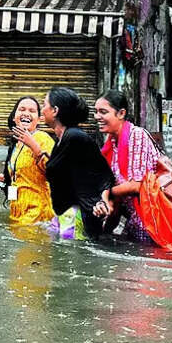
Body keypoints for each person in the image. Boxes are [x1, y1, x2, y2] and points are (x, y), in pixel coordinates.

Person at [94, 90, 172, 252]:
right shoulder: (112, 144)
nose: (97, 117)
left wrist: (106, 193)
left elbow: (137, 185)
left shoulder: (137, 136)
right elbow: (119, 198)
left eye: (103, 112)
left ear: (121, 113)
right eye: (95, 112)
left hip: (153, 224)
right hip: (136, 225)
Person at [40, 87, 114, 240]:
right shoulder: (63, 139)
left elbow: (104, 174)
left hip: (80, 216)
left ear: (55, 110)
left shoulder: (74, 137)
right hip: (67, 214)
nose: (42, 110)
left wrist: (103, 201)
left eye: (44, 104)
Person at [0, 96, 56, 226]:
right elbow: (22, 177)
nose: (26, 113)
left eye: (32, 111)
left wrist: (34, 146)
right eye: (22, 109)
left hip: (37, 214)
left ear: (39, 119)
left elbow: (55, 173)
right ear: (15, 117)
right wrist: (3, 178)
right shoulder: (17, 144)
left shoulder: (43, 139)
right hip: (18, 212)